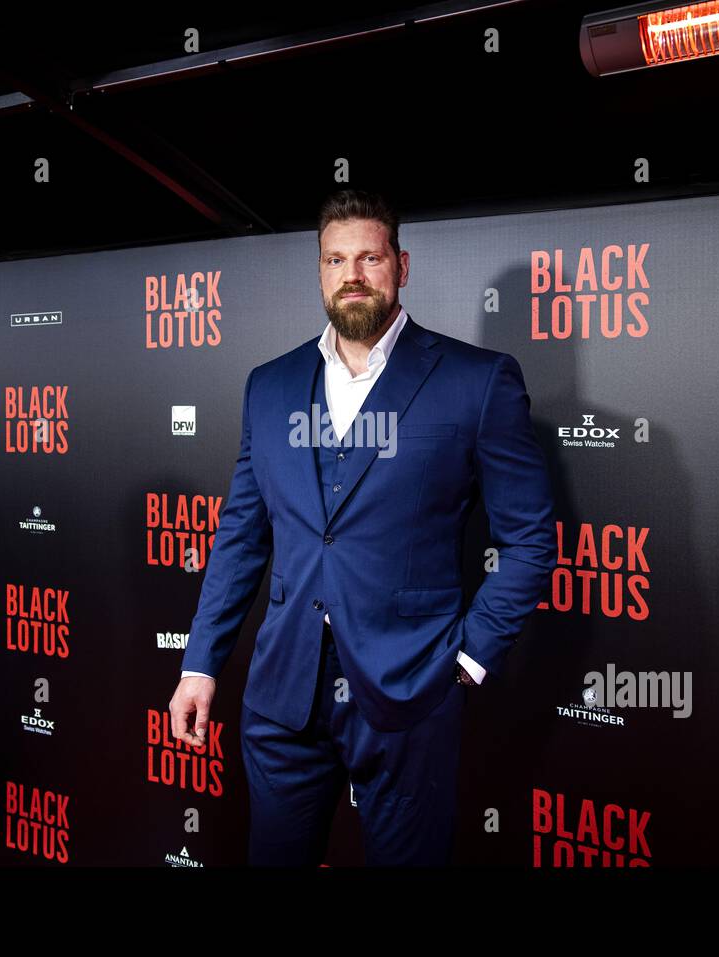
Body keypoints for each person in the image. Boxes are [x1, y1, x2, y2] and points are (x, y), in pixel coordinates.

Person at [169, 189, 556, 865]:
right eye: (335, 259)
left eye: (369, 258)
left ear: (400, 266)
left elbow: (529, 538)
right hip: (283, 692)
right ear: (319, 271)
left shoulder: (477, 381)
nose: (352, 274)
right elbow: (241, 536)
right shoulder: (270, 385)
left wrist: (468, 660)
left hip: (410, 690)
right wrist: (201, 662)